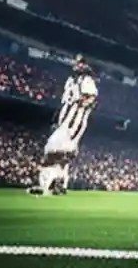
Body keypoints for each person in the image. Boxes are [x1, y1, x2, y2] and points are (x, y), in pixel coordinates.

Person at [30, 56, 98, 196]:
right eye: (76, 62)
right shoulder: (71, 80)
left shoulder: (86, 80)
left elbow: (91, 98)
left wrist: (79, 106)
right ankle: (58, 184)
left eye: (79, 63)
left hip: (73, 120)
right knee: (61, 155)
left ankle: (50, 185)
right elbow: (66, 101)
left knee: (54, 149)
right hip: (66, 118)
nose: (76, 64)